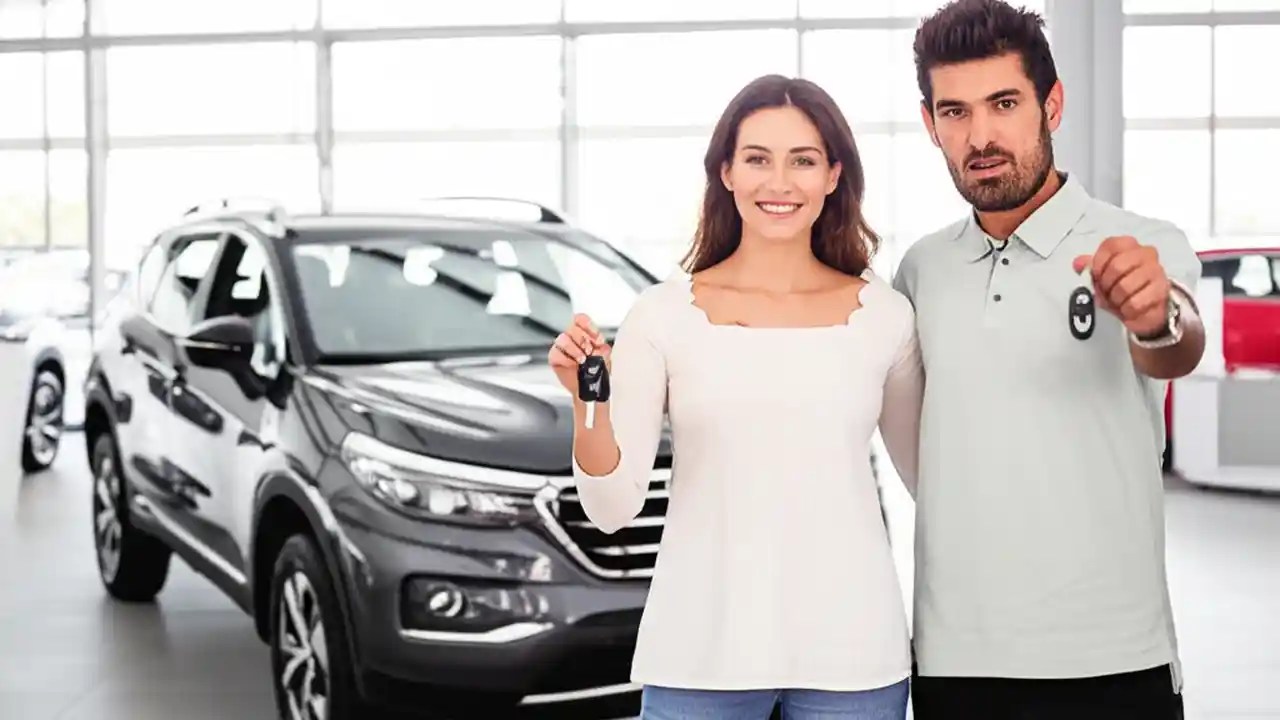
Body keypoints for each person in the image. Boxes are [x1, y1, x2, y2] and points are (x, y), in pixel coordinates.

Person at [547, 74, 923, 719]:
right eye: (757, 159)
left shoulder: (886, 316)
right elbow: (612, 507)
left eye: (802, 160)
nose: (779, 183)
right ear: (725, 172)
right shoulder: (662, 315)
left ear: (834, 175)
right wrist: (590, 407)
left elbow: (930, 480)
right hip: (699, 651)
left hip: (853, 650)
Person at [892, 1, 1206, 718]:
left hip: (1114, 656)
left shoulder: (1143, 242)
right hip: (955, 660)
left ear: (1052, 103)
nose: (980, 137)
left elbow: (1176, 343)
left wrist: (1155, 315)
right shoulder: (920, 270)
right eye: (955, 112)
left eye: (1004, 104)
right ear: (929, 123)